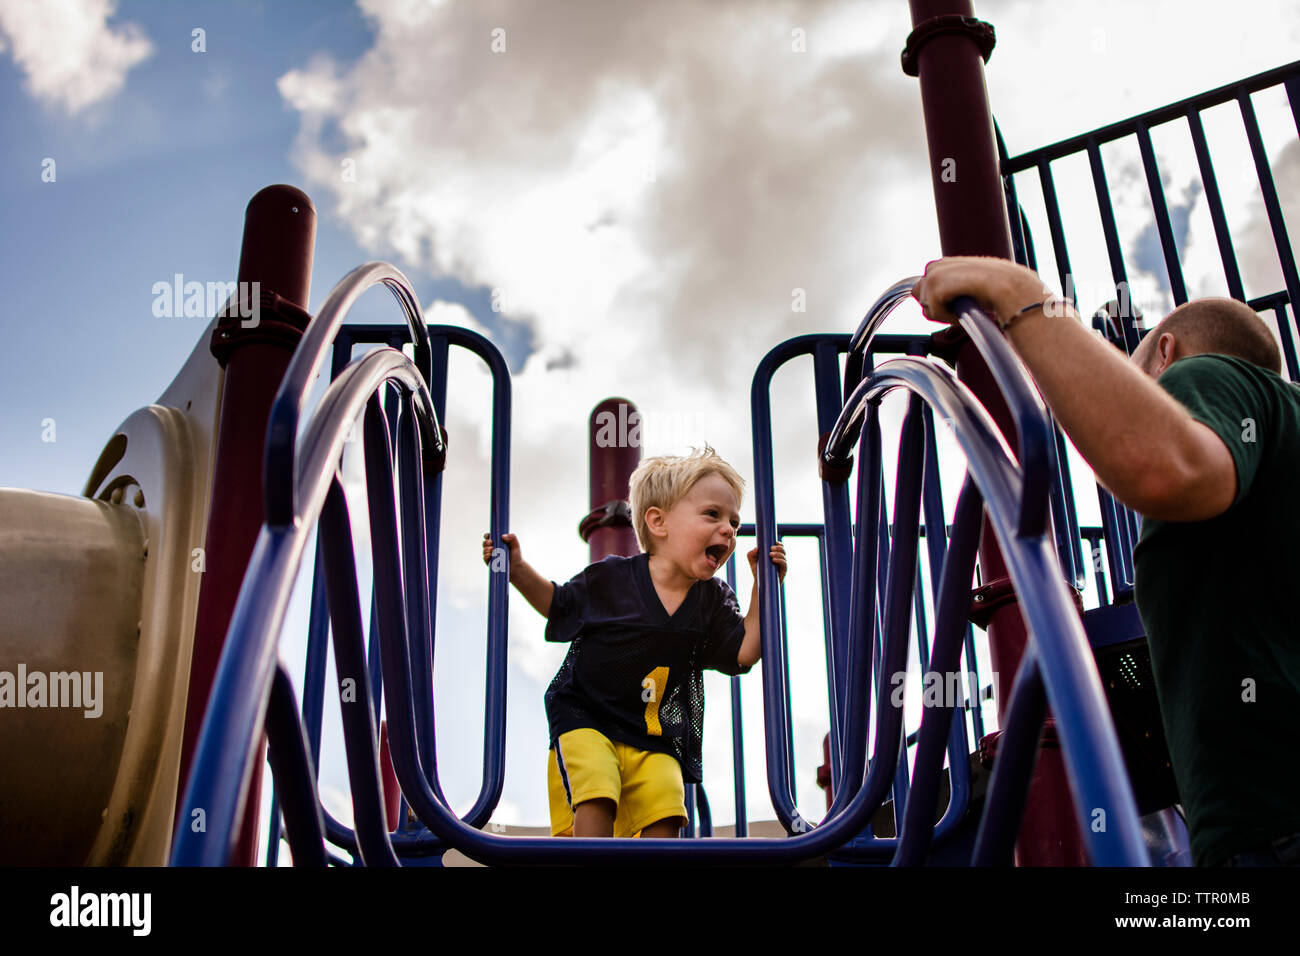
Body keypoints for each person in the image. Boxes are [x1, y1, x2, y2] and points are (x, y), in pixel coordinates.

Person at [912, 255, 1300, 867]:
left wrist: (1025, 299)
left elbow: (1165, 465)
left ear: (1167, 354)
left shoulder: (1211, 375)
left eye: (1138, 370)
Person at [482, 445, 787, 838]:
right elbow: (557, 604)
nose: (729, 529)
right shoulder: (610, 580)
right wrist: (518, 570)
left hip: (654, 736)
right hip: (587, 719)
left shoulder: (712, 600)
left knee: (667, 806)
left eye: (734, 520)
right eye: (712, 514)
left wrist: (764, 589)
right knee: (596, 792)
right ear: (658, 523)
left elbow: (746, 651)